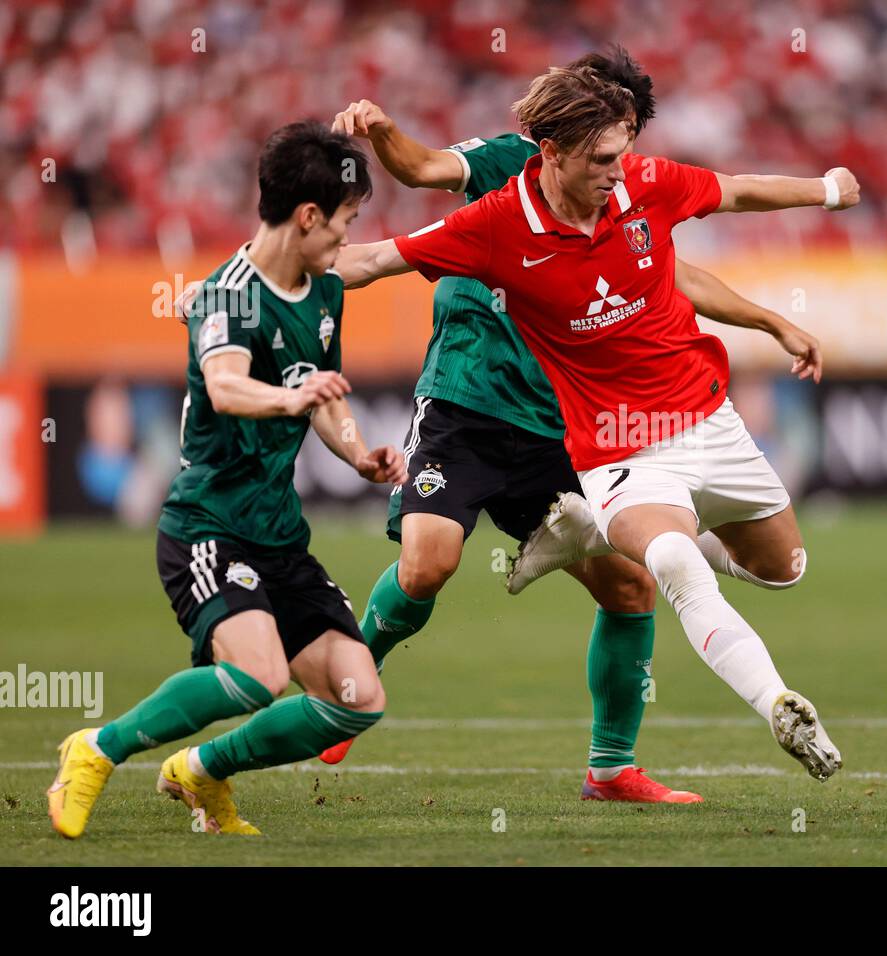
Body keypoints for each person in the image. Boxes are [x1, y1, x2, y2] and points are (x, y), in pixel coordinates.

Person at [326, 48, 825, 802]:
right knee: (429, 565)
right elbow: (424, 173)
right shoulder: (502, 172)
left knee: (631, 590)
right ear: (561, 137)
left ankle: (611, 769)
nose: (624, 161)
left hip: (560, 421)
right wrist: (379, 133)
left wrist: (767, 321)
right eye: (611, 142)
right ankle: (351, 683)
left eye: (629, 140)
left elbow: (670, 274)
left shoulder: (624, 193)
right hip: (468, 401)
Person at [47, 121, 406, 838]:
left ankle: (203, 770)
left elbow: (321, 395)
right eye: (345, 222)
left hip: (278, 536)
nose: (347, 237)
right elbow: (225, 387)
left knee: (357, 697)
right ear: (308, 216)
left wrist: (358, 451)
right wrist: (289, 400)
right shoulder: (227, 297)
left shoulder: (325, 290)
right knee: (257, 676)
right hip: (208, 527)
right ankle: (95, 749)